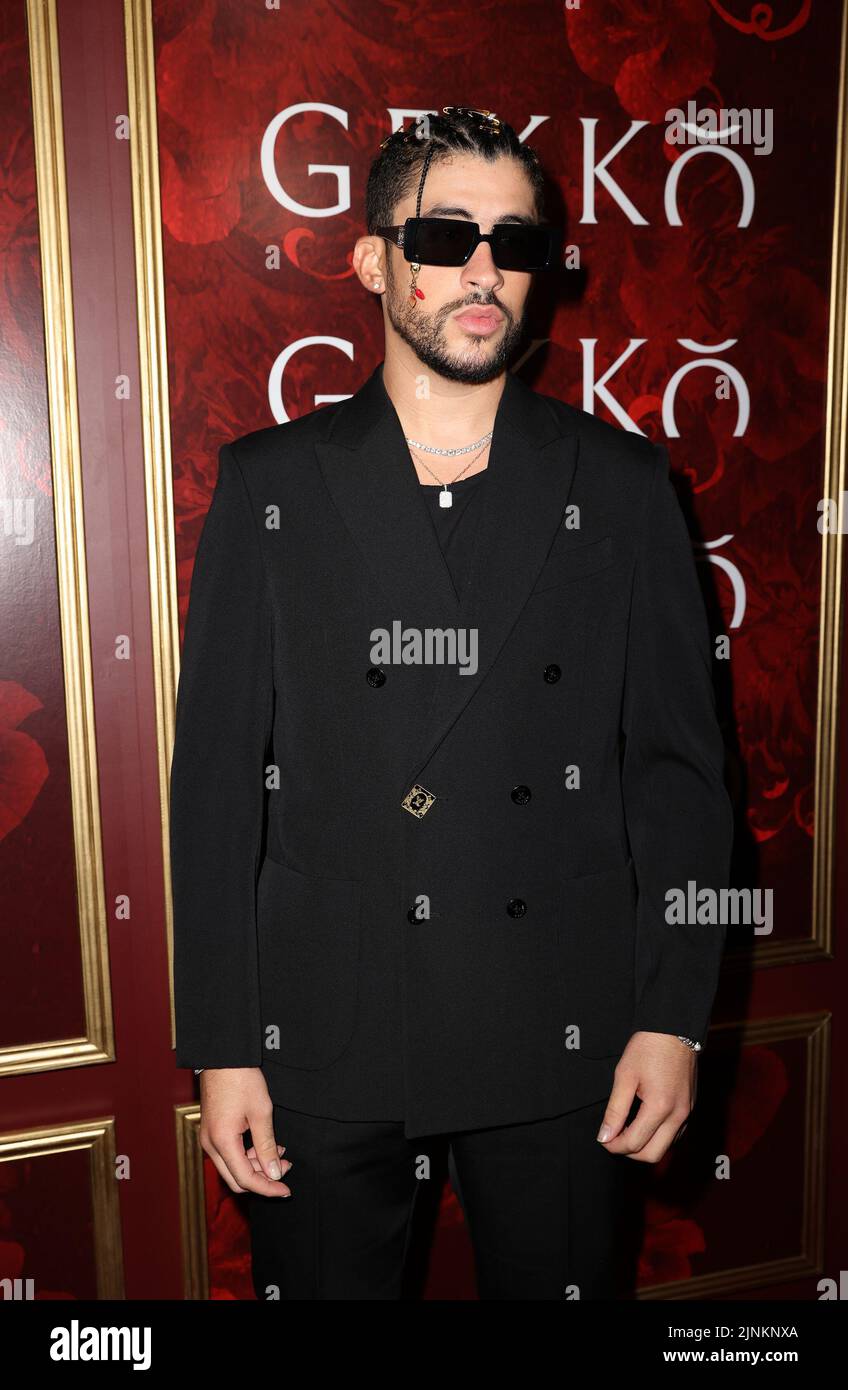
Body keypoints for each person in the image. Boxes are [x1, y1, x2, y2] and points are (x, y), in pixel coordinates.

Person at [170, 106, 734, 1300]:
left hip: (564, 1034)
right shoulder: (269, 486)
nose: (483, 270)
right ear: (373, 259)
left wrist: (672, 1017)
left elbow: (679, 781)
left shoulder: (622, 490)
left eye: (515, 243)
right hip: (327, 1038)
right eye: (444, 234)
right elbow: (218, 787)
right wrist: (223, 1045)